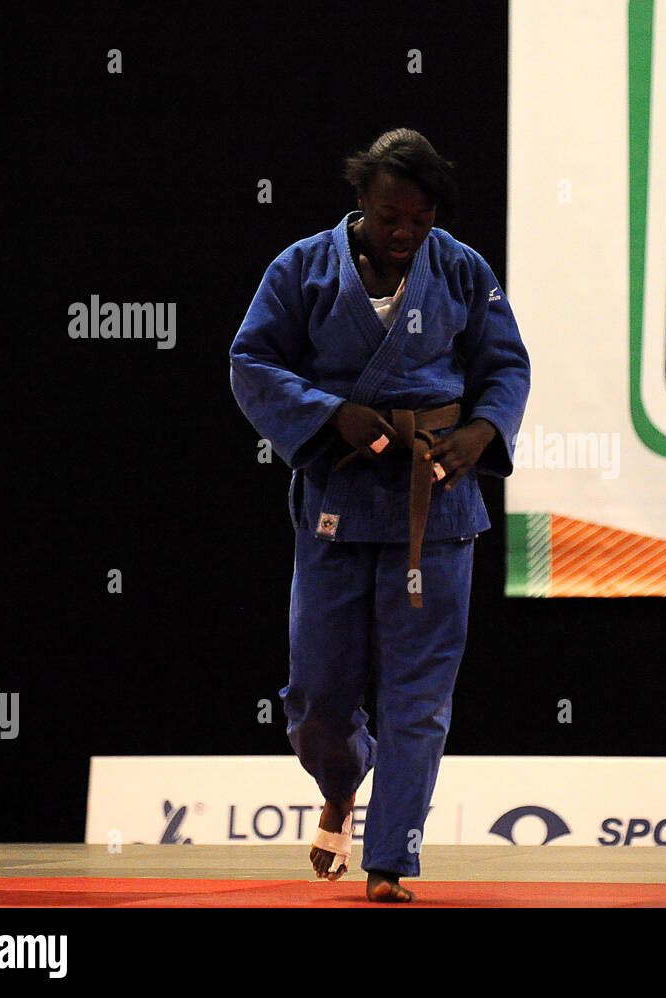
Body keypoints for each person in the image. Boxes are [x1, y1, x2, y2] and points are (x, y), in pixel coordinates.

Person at [230, 128, 530, 902]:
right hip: (340, 495)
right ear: (361, 200)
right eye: (391, 216)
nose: (404, 234)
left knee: (418, 697)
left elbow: (505, 367)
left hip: (437, 503)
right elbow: (252, 361)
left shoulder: (463, 270)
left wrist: (481, 432)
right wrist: (330, 414)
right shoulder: (301, 268)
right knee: (318, 699)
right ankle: (340, 779)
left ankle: (390, 860)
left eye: (419, 221)